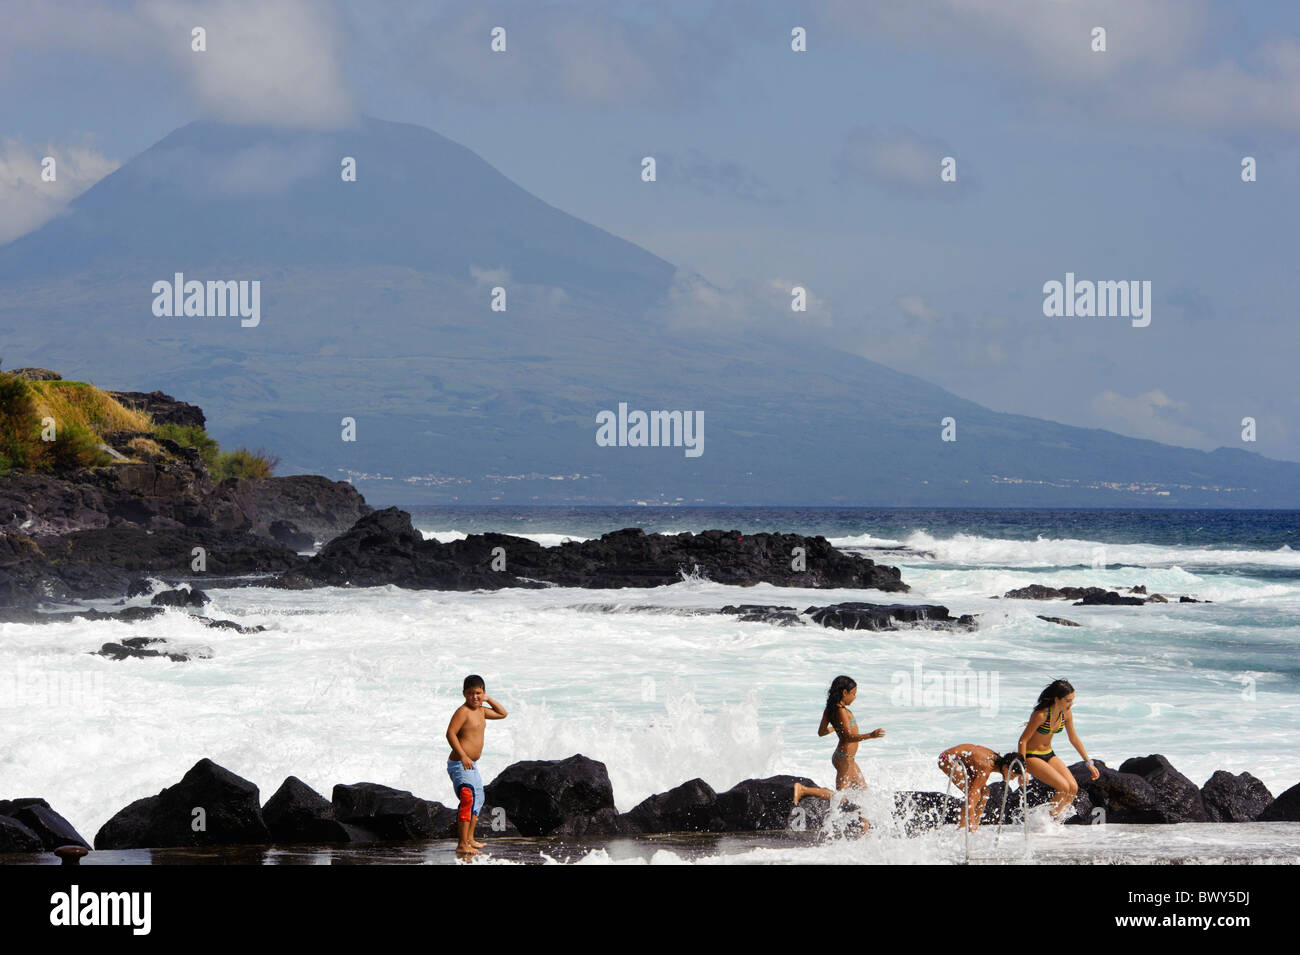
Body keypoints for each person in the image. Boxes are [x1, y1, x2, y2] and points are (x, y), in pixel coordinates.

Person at [1016, 679, 1098, 821]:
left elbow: (1073, 738)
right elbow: (1023, 740)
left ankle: (1056, 821)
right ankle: (1049, 822)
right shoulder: (1041, 715)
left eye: (1072, 700)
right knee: (1063, 787)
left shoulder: (1066, 714)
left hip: (1049, 754)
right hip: (1031, 756)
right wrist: (1021, 770)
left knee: (1073, 787)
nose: (1071, 704)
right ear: (1056, 699)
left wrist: (1088, 762)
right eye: (1067, 700)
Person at [445, 674, 508, 856]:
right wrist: (463, 756)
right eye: (471, 693)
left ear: (484, 693)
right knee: (468, 798)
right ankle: (462, 844)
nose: (475, 697)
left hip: (471, 765)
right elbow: (450, 733)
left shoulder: (481, 710)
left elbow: (503, 714)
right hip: (459, 763)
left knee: (478, 799)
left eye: (479, 693)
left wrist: (488, 700)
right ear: (464, 694)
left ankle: (470, 839)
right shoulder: (463, 711)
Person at [936, 744, 1023, 831]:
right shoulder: (987, 766)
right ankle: (967, 829)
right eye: (1011, 775)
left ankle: (970, 828)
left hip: (962, 761)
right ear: (1005, 767)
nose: (1011, 779)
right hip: (947, 758)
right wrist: (972, 818)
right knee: (974, 794)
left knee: (985, 791)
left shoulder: (995, 760)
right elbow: (971, 797)